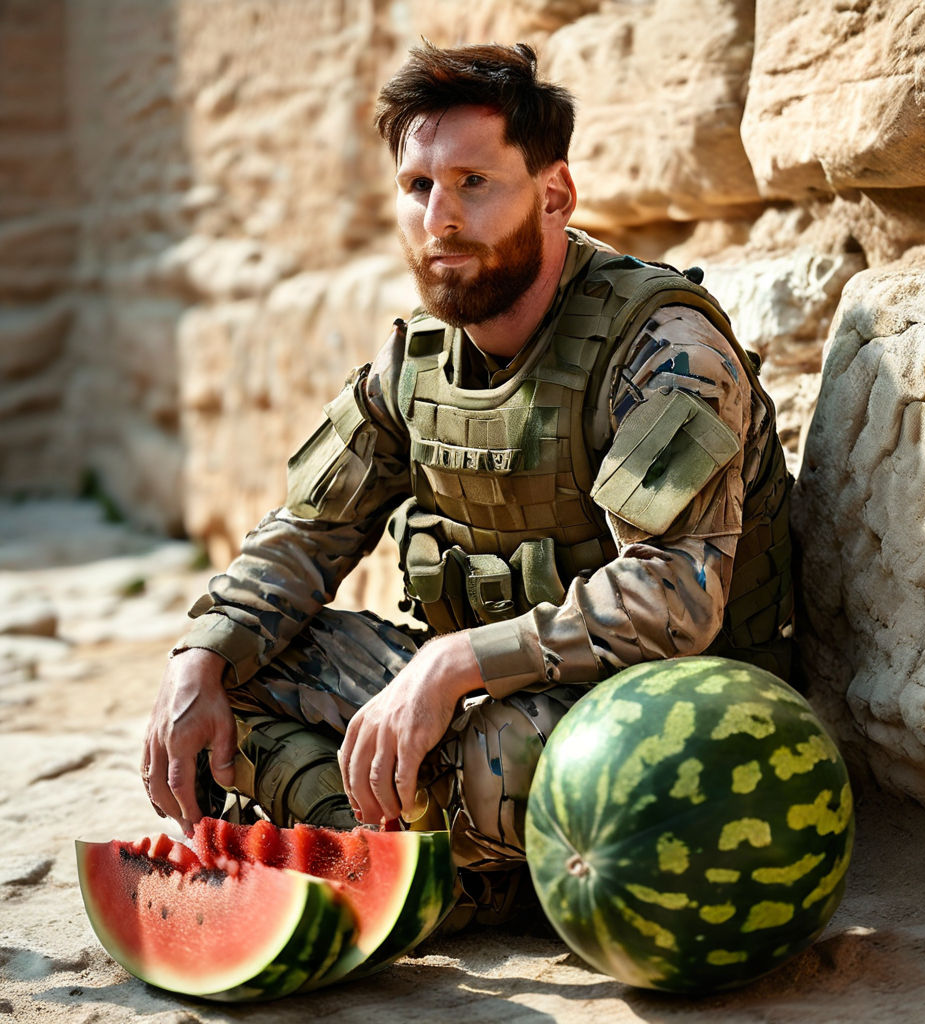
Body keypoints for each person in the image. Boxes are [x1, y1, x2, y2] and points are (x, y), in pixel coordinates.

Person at [141, 41, 793, 927]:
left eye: (473, 183)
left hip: (666, 712)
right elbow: (306, 531)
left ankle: (436, 871)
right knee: (237, 675)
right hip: (486, 689)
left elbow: (673, 597)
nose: (439, 218)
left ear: (554, 195)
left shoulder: (663, 347)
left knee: (494, 764)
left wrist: (453, 663)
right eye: (418, 187)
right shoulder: (417, 362)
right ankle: (396, 871)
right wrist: (200, 658)